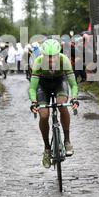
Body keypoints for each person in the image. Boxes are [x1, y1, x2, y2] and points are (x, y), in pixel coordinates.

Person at [28, 39, 79, 169]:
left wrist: (74, 98)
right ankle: (47, 148)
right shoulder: (38, 63)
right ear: (43, 55)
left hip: (59, 84)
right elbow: (32, 88)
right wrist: (34, 102)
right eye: (48, 58)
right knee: (44, 115)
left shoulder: (64, 61)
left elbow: (73, 84)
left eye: (54, 57)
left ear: (58, 55)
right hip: (43, 87)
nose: (51, 61)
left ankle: (67, 140)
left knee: (62, 105)